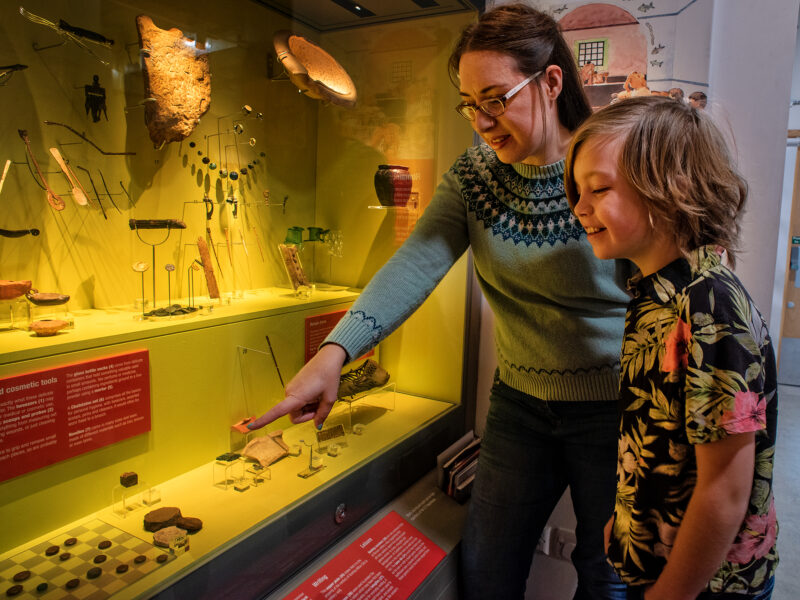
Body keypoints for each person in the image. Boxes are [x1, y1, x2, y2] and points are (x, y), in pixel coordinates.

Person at [247, 5, 632, 598]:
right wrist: (334, 353)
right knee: (487, 568)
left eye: (497, 99)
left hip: (614, 407)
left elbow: (662, 288)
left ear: (552, 82)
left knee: (606, 573)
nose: (481, 120)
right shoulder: (477, 175)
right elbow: (416, 262)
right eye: (469, 102)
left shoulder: (610, 166)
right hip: (520, 405)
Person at [564, 96, 778, 599]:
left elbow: (724, 492)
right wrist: (625, 528)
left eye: (598, 189)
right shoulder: (655, 293)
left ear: (669, 192)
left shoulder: (709, 306)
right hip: (660, 564)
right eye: (578, 190)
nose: (579, 207)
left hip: (702, 585)